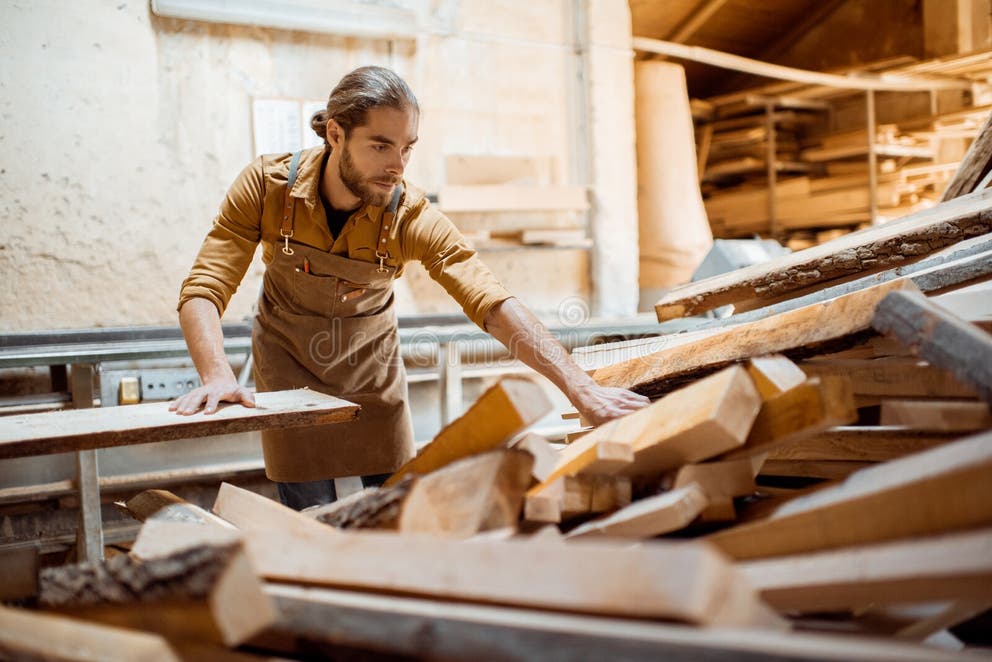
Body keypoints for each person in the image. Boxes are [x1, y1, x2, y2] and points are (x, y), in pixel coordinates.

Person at [170, 65, 649, 509]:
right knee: (307, 521)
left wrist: (580, 388)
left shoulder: (408, 215)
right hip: (289, 375)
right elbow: (205, 286)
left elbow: (490, 300)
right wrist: (216, 374)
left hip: (372, 379)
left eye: (407, 148)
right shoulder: (267, 188)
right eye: (381, 145)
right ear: (335, 133)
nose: (398, 165)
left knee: (396, 514)